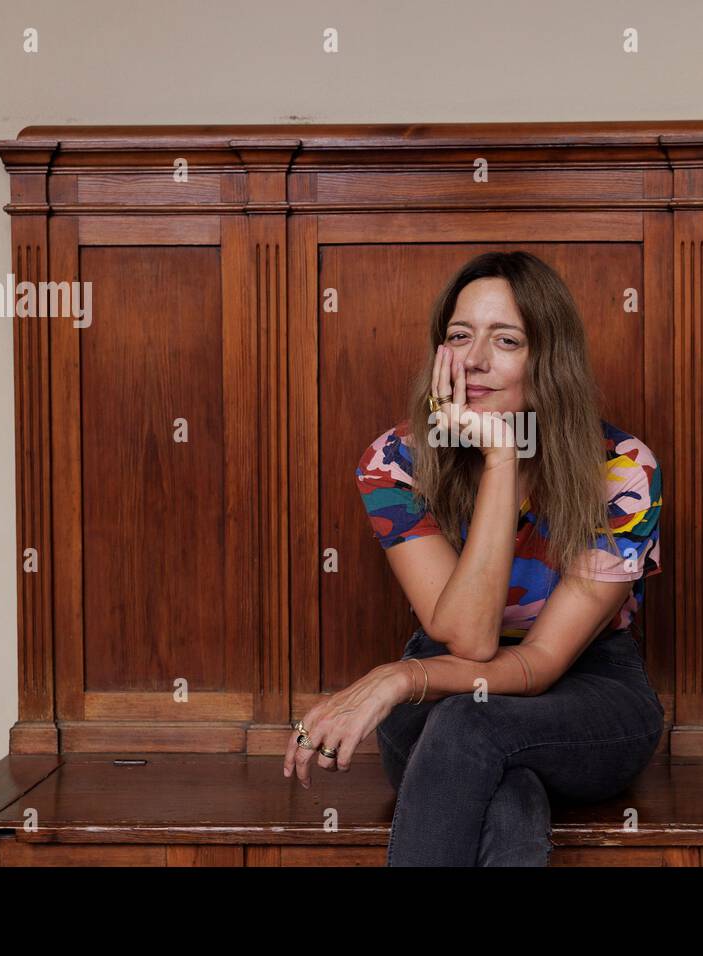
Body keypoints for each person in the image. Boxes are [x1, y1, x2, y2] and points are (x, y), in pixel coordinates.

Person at [283, 250, 664, 866]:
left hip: (590, 688)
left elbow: (539, 662)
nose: (476, 359)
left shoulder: (623, 471)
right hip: (445, 690)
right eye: (460, 336)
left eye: (507, 340)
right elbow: (469, 638)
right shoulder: (395, 463)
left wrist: (402, 677)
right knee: (503, 795)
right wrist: (500, 462)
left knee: (471, 725)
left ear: (549, 362)